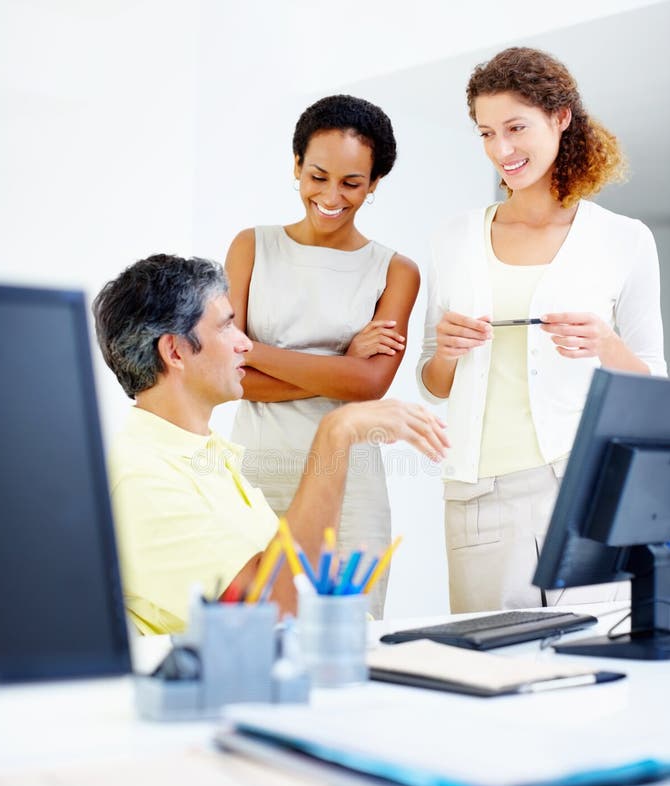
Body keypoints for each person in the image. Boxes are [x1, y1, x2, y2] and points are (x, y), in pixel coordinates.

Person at [417, 46, 666, 614]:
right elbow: (434, 383)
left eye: (515, 127)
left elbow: (656, 379)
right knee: (494, 674)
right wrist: (448, 352)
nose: (500, 150)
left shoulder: (623, 240)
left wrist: (605, 344)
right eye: (485, 133)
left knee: (594, 666)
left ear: (561, 118)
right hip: (482, 495)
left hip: (586, 487)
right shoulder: (452, 239)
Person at [93, 254, 448, 635]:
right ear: (175, 351)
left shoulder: (203, 457)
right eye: (227, 327)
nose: (244, 343)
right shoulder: (142, 478)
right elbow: (273, 613)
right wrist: (336, 432)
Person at [225, 95, 419, 618]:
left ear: (374, 183)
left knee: (346, 635)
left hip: (349, 480)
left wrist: (258, 352)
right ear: (296, 167)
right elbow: (230, 376)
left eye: (352, 183)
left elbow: (371, 386)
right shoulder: (252, 247)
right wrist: (343, 368)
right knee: (252, 629)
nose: (332, 195)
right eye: (318, 176)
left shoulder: (395, 271)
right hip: (259, 472)